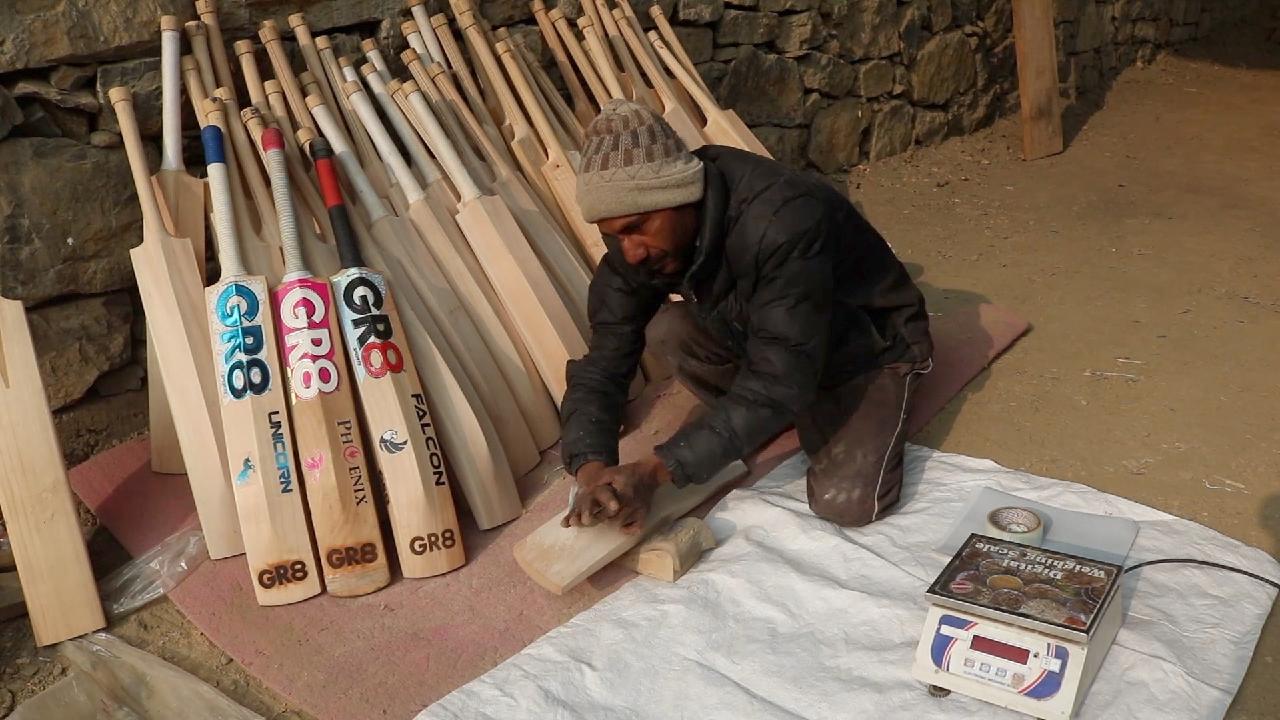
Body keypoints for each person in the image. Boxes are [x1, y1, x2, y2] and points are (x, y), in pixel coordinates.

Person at [559, 99, 933, 534]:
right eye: (613, 235)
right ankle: (758, 415)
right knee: (669, 330)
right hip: (774, 335)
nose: (630, 251)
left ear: (681, 197)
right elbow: (603, 363)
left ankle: (798, 408)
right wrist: (591, 469)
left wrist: (656, 471)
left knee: (845, 502)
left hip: (865, 346)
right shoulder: (638, 247)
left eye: (636, 227)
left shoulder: (782, 219)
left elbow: (782, 376)